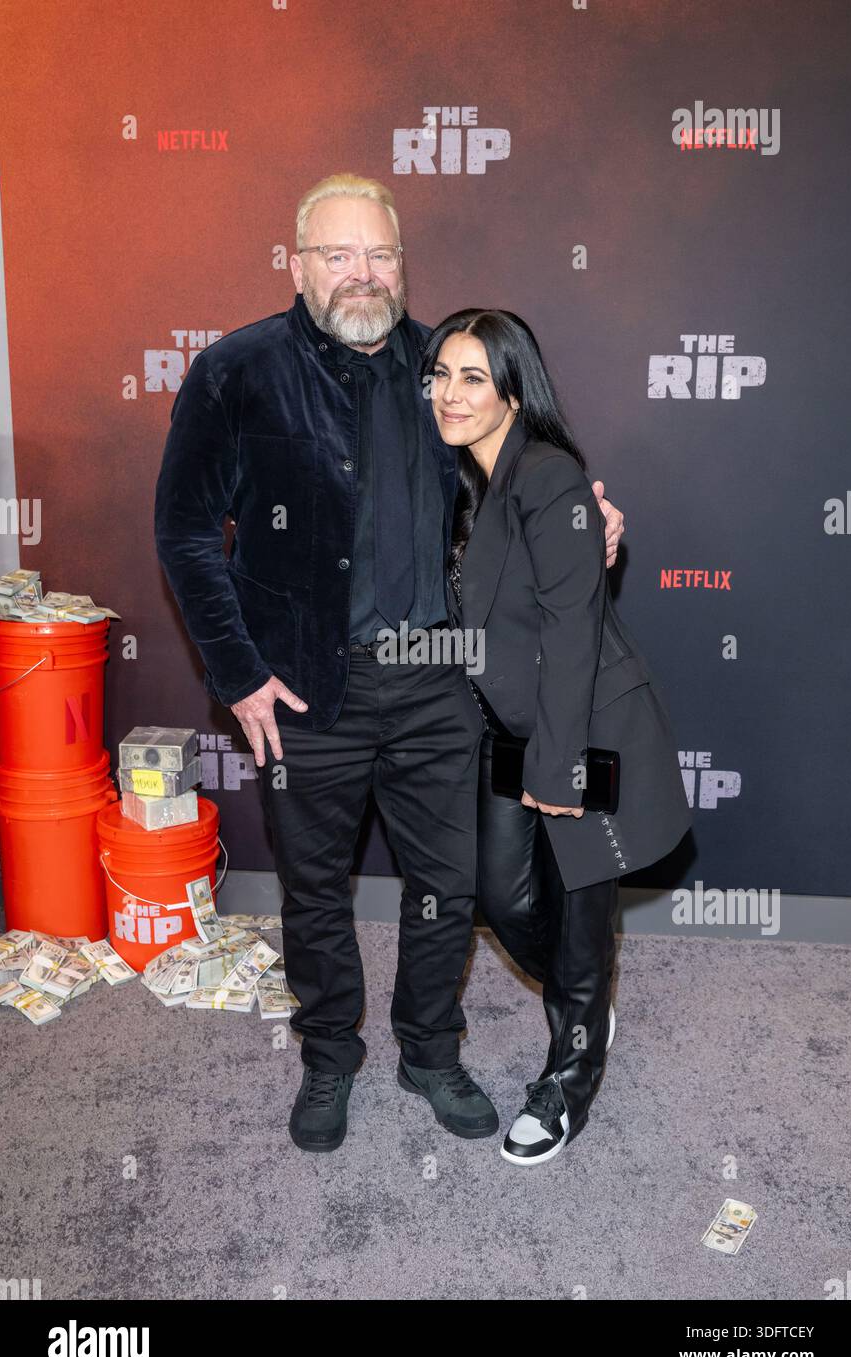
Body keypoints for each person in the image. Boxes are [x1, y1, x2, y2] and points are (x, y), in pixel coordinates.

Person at [154, 173, 625, 1154]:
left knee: (446, 886)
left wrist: (583, 519)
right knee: (312, 890)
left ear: (402, 267)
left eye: (378, 254)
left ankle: (429, 1051)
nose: (360, 273)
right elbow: (188, 534)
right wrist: (236, 672)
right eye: (337, 253)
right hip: (300, 686)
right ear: (297, 263)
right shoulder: (235, 371)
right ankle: (328, 1057)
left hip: (436, 680)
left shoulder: (447, 371)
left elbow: (522, 484)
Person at [424, 309, 691, 1165]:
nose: (451, 394)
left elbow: (574, 629)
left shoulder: (547, 476)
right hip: (509, 730)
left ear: (512, 388)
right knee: (502, 896)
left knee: (581, 909)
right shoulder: (465, 484)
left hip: (584, 730)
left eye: (473, 377)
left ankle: (569, 1077)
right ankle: (589, 998)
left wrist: (560, 765)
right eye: (440, 375)